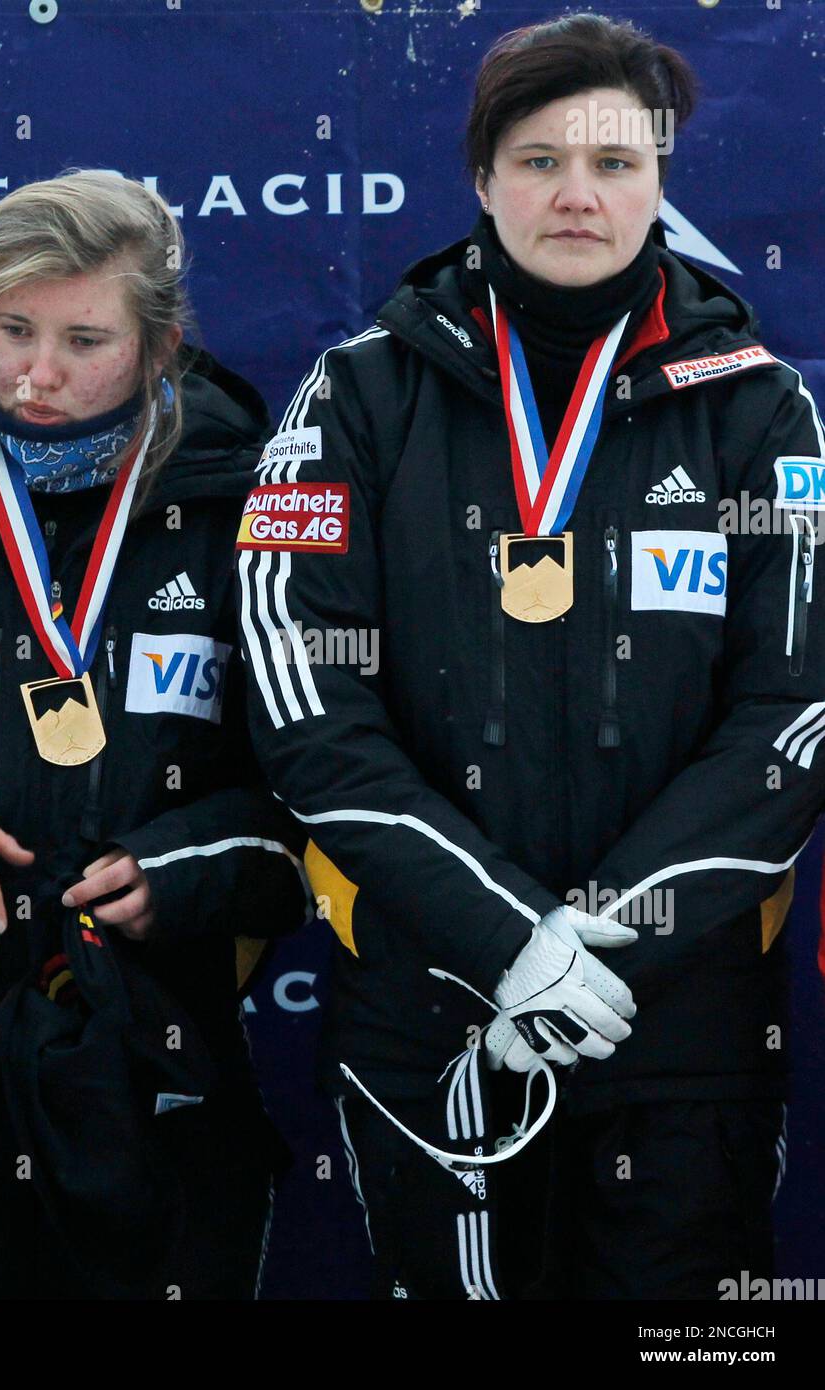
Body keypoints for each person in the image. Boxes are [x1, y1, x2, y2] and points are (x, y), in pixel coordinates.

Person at [236, 13, 825, 1299]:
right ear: (482, 178)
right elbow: (302, 696)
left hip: (680, 1032)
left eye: (616, 163)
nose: (577, 193)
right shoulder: (358, 394)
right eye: (540, 158)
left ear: (662, 181)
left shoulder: (761, 406)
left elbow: (799, 713)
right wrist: (507, 937)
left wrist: (599, 941)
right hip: (433, 1013)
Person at [0, 169, 309, 1300]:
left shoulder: (248, 517)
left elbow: (332, 794)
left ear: (159, 345)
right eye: (12, 331)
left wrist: (186, 863)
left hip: (159, 1064)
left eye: (84, 338)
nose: (37, 376)